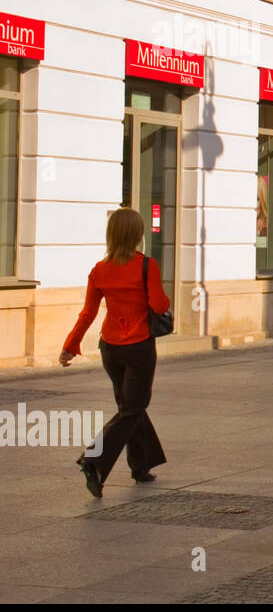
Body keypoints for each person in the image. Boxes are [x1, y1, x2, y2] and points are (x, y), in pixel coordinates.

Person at [60, 208, 171, 498]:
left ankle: (141, 465)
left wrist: (70, 346)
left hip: (110, 348)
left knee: (129, 408)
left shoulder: (99, 269)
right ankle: (93, 460)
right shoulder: (146, 265)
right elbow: (160, 306)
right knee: (132, 409)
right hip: (139, 347)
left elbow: (88, 313)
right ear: (137, 234)